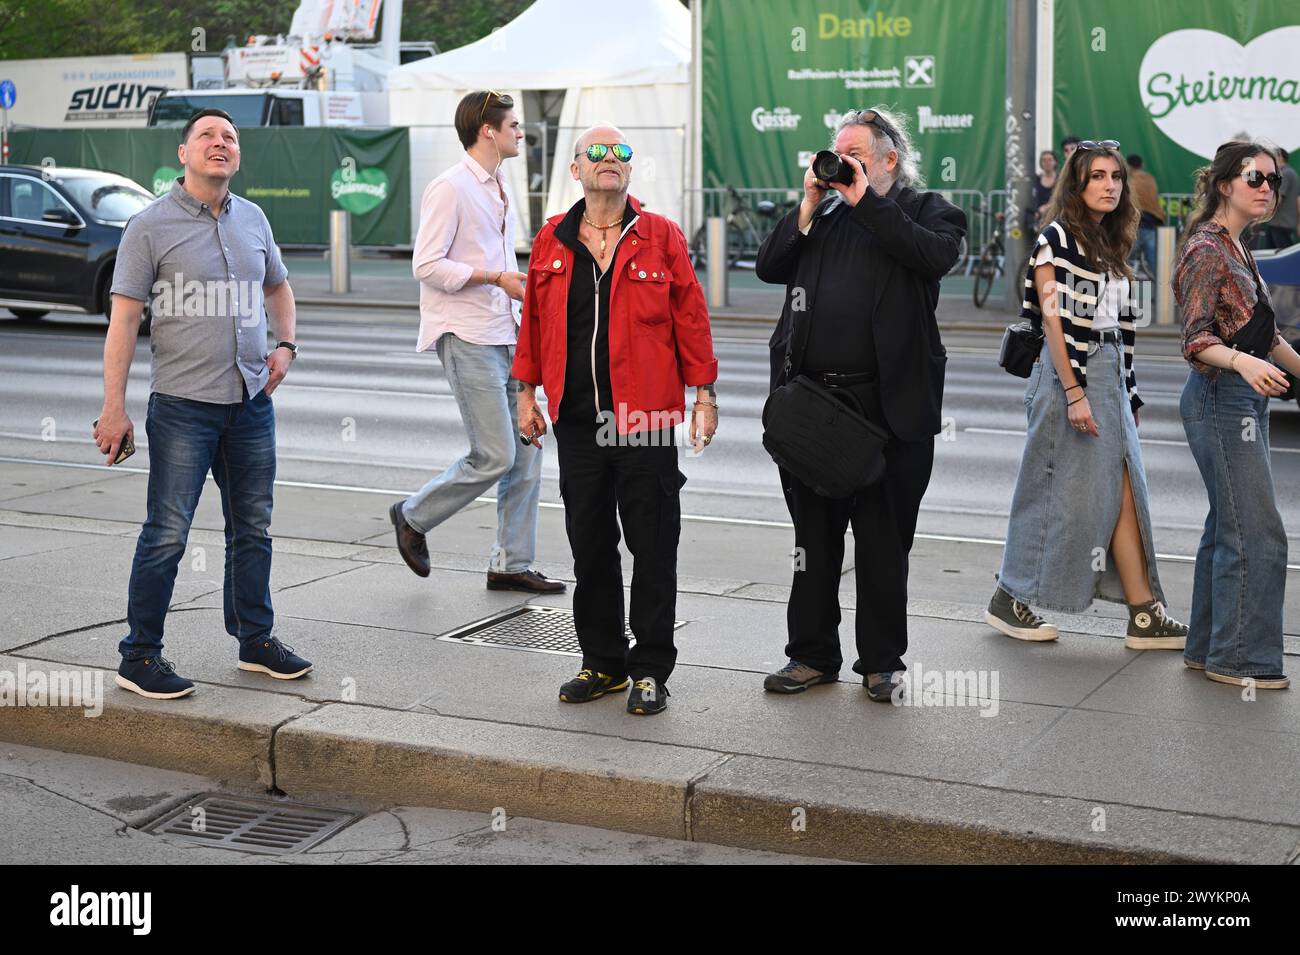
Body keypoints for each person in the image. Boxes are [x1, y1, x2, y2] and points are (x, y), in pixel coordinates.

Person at [94, 108, 311, 699]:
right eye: (209, 136)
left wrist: (286, 345)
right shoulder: (148, 226)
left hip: (249, 403)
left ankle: (255, 641)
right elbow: (124, 321)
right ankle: (138, 655)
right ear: (184, 153)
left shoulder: (254, 219)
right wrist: (114, 408)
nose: (222, 144)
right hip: (184, 407)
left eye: (231, 138)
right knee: (167, 534)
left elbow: (277, 285)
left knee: (253, 529)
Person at [756, 107, 966, 702]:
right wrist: (806, 205)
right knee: (812, 544)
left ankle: (880, 662)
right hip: (814, 406)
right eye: (835, 154)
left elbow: (933, 256)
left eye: (855, 156)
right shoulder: (819, 214)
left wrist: (862, 200)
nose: (840, 165)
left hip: (889, 412)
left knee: (882, 545)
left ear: (888, 160)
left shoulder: (929, 209)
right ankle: (811, 656)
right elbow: (771, 267)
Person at [513, 124, 718, 716]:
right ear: (575, 169)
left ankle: (651, 668)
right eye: (597, 152)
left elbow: (692, 319)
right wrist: (525, 393)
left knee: (653, 546)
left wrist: (703, 395)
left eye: (621, 152)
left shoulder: (660, 237)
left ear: (630, 170)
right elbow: (534, 327)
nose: (611, 159)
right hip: (578, 422)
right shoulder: (553, 239)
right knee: (591, 546)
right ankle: (602, 661)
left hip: (647, 420)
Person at [987, 139, 1189, 650]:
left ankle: (1144, 612)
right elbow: (1054, 322)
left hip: (1109, 375)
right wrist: (1075, 391)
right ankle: (1010, 596)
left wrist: (1131, 397)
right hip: (1067, 375)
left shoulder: (1108, 240)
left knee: (1123, 491)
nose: (1109, 185)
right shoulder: (1055, 238)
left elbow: (1121, 329)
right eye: (1097, 176)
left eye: (1115, 177)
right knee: (1050, 486)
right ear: (1075, 185)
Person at [389, 91, 564, 595]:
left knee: (528, 450)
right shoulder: (451, 187)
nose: (520, 133)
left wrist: (515, 288)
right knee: (494, 454)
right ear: (487, 130)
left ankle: (511, 563)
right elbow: (425, 265)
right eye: (513, 125)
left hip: (506, 330)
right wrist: (495, 277)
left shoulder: (499, 185)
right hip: (467, 334)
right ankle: (413, 515)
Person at [1174, 140, 1300, 689]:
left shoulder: (1237, 246)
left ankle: (1208, 649)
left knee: (1226, 526)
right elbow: (1196, 338)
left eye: (1273, 179)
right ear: (1225, 184)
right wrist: (1244, 364)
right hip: (1219, 398)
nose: (1267, 188)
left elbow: (1265, 333)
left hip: (1239, 399)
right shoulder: (1207, 249)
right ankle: (1241, 660)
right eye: (1255, 177)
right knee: (1259, 533)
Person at [1126, 153, 1165, 273]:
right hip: (1151, 222)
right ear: (1141, 165)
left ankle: (1123, 286)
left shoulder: (1130, 180)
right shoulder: (1150, 179)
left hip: (1135, 223)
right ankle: (1161, 287)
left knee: (1124, 259)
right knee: (1153, 261)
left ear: (1128, 166)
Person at [1259, 147, 1298, 250]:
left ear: (1280, 157)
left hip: (1281, 225)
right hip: (1279, 225)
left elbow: (1278, 198)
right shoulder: (1290, 172)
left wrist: (1261, 215)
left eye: (1272, 156)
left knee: (1283, 261)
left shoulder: (1285, 173)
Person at [1028, 149, 1057, 233]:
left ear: (1055, 162)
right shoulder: (1036, 179)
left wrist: (1047, 207)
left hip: (1055, 218)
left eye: (1050, 160)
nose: (1047, 162)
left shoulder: (1060, 179)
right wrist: (1037, 212)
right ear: (1041, 163)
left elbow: (1061, 198)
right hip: (1038, 220)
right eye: (1044, 160)